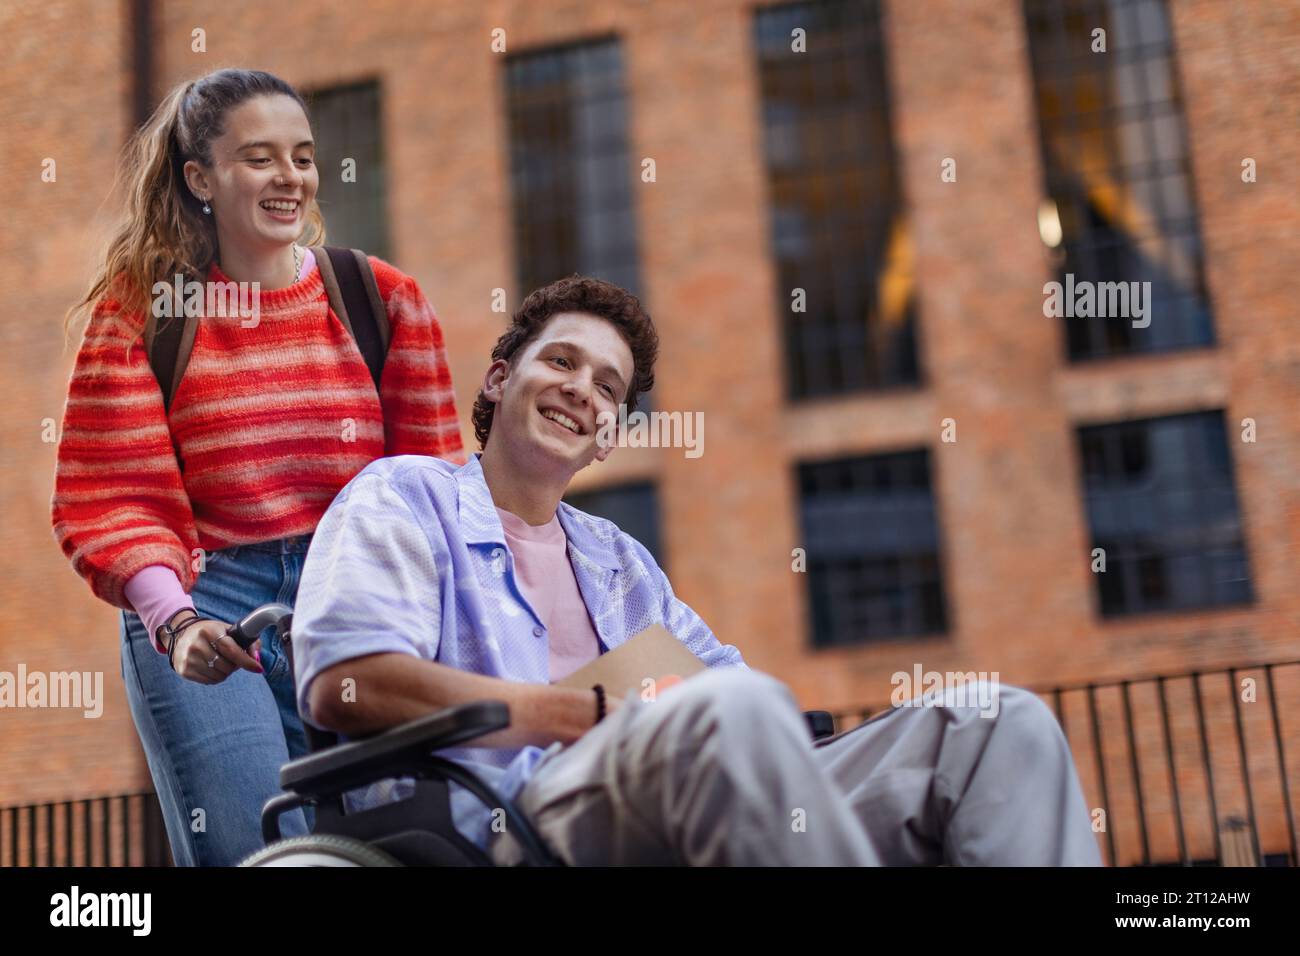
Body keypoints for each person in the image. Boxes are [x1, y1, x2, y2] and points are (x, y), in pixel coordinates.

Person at [289, 275, 1102, 865]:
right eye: (561, 363)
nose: (582, 390)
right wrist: (574, 715)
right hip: (501, 818)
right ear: (500, 379)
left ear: (609, 436)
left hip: (672, 791)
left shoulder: (618, 561)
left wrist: (724, 722)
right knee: (729, 710)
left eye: (607, 388)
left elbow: (741, 701)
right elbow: (344, 683)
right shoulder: (406, 496)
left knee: (998, 722)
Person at [51, 68, 464, 866]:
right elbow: (113, 497)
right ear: (201, 178)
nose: (291, 179)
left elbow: (433, 491)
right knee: (257, 849)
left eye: (302, 157)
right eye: (260, 158)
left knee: (389, 847)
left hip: (356, 600)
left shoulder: (381, 298)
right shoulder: (144, 312)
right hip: (210, 607)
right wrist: (175, 622)